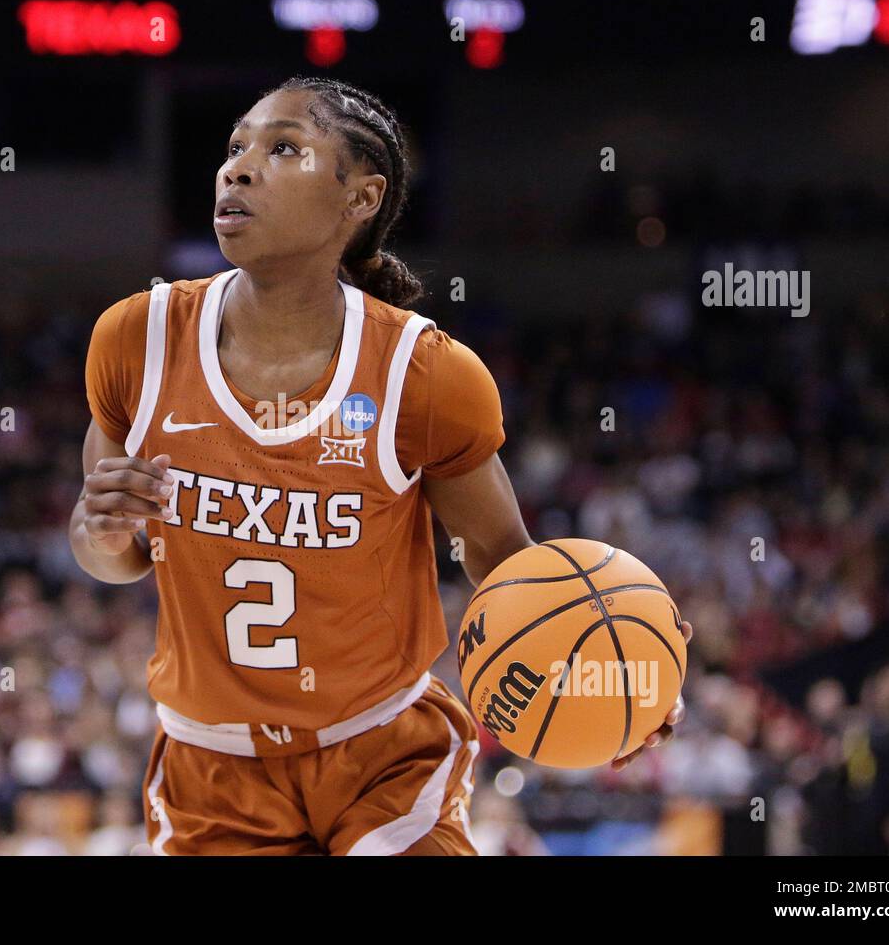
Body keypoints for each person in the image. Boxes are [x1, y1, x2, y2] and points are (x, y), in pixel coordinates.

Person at [70, 77, 687, 855]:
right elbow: (112, 555)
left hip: (382, 753)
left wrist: (617, 673)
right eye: (235, 147)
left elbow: (504, 560)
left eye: (283, 148)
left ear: (361, 197)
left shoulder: (423, 373)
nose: (237, 168)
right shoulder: (138, 340)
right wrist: (96, 531)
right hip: (211, 767)